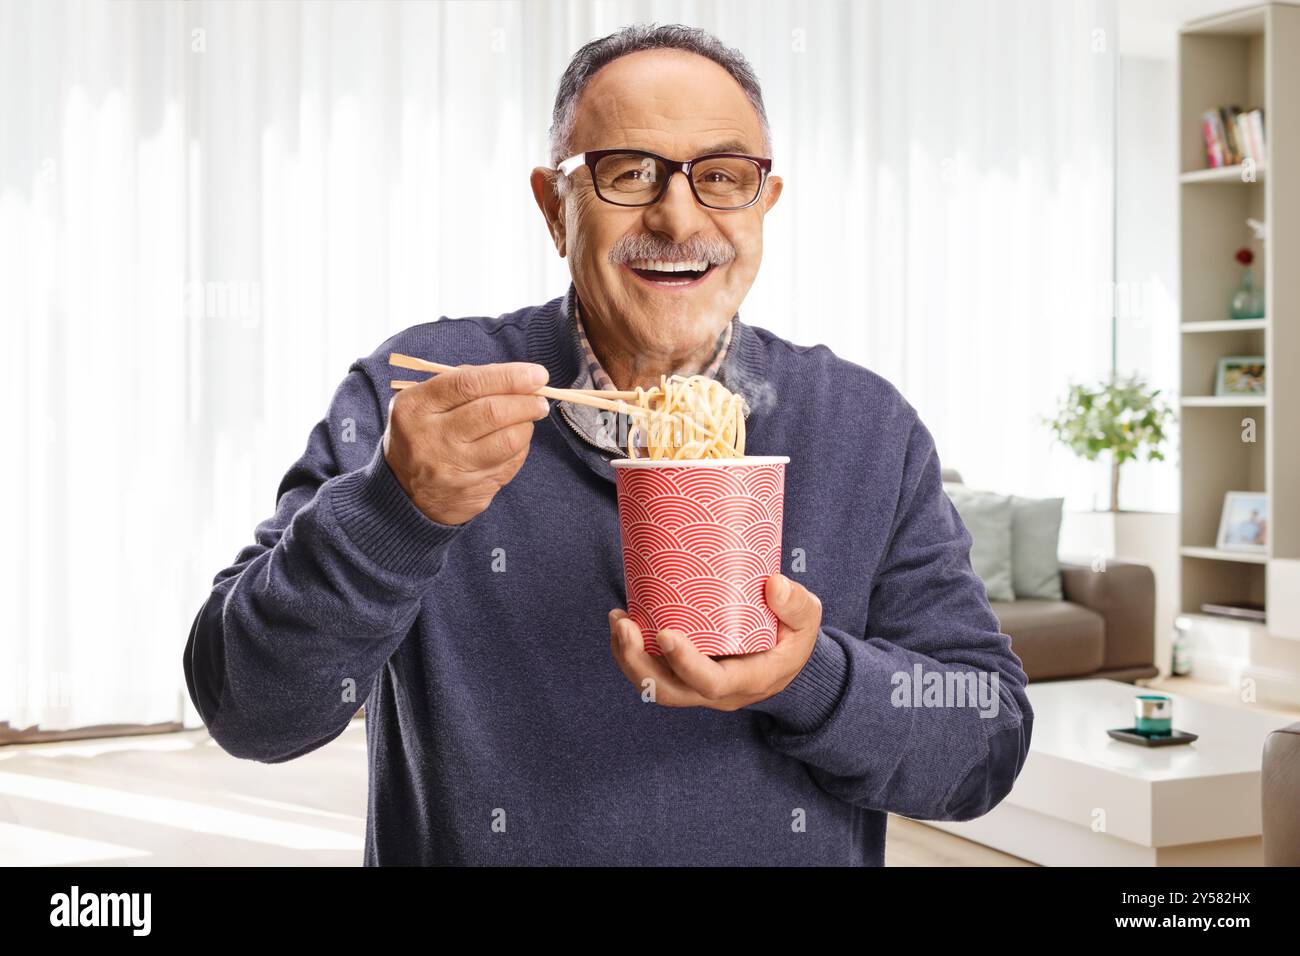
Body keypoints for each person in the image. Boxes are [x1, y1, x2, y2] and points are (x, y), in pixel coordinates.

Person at [184, 23, 1032, 866]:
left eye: (724, 177)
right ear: (555, 208)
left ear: (764, 207)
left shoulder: (865, 426)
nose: (677, 216)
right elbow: (252, 712)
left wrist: (804, 679)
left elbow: (985, 737)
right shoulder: (423, 398)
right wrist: (395, 513)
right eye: (629, 174)